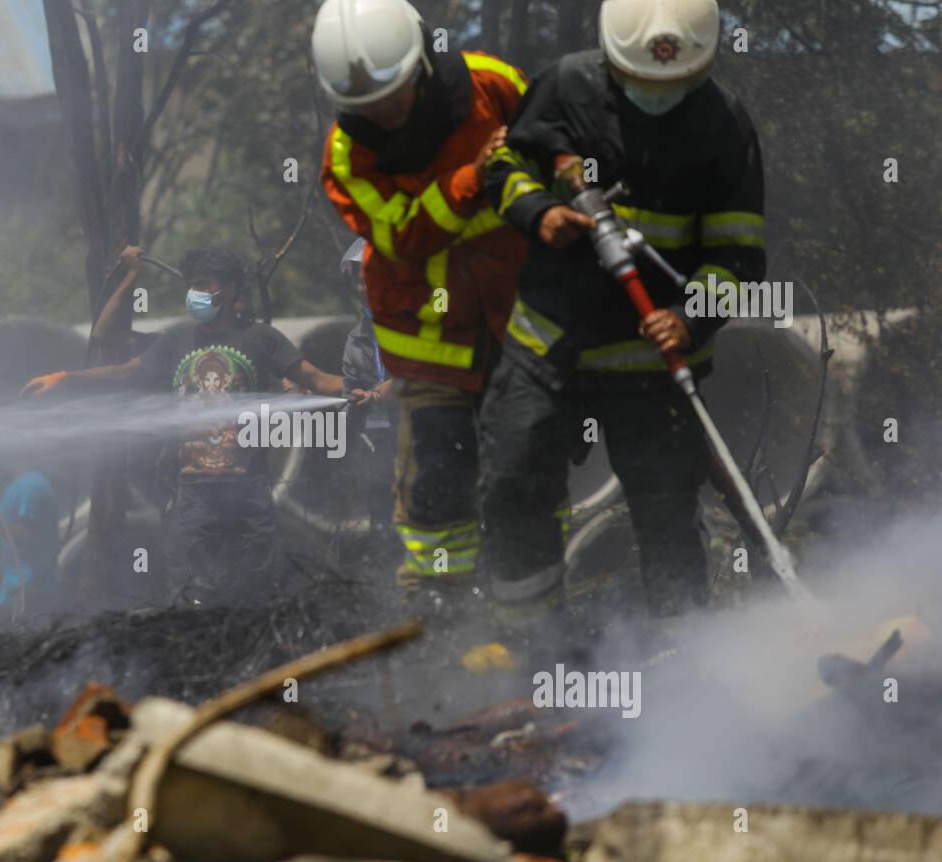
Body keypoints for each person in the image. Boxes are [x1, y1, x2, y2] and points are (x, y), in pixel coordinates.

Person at [478, 0, 766, 621]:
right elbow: (501, 164)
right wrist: (539, 212)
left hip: (654, 362)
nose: (656, 97)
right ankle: (529, 640)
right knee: (513, 477)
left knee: (666, 508)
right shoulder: (564, 86)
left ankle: (681, 656)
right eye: (640, 82)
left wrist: (689, 318)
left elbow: (738, 258)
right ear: (612, 61)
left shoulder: (725, 127)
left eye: (674, 85)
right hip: (551, 346)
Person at [313, 0, 530, 608]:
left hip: (516, 324)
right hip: (429, 338)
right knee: (435, 483)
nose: (382, 116)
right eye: (364, 108)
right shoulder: (344, 158)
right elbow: (405, 233)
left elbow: (553, 166)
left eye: (391, 96)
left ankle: (531, 620)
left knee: (526, 473)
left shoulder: (495, 85)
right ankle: (439, 620)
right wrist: (470, 180)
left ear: (420, 64)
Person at [21, 246, 345, 605]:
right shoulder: (175, 340)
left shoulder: (261, 338)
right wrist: (66, 377)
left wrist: (376, 387)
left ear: (231, 290)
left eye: (205, 284)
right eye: (192, 285)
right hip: (192, 495)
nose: (196, 293)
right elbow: (124, 367)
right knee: (193, 596)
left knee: (254, 594)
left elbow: (317, 379)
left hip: (249, 494)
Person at [338, 237, 400, 570]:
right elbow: (351, 388)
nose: (362, 287)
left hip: (424, 447)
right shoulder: (356, 339)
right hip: (380, 449)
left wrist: (389, 389)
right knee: (383, 528)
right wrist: (356, 399)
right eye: (358, 280)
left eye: (370, 278)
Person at [0, 465, 61, 621]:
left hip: (28, 587)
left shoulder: (31, 486)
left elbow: (25, 536)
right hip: (14, 587)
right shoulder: (22, 485)